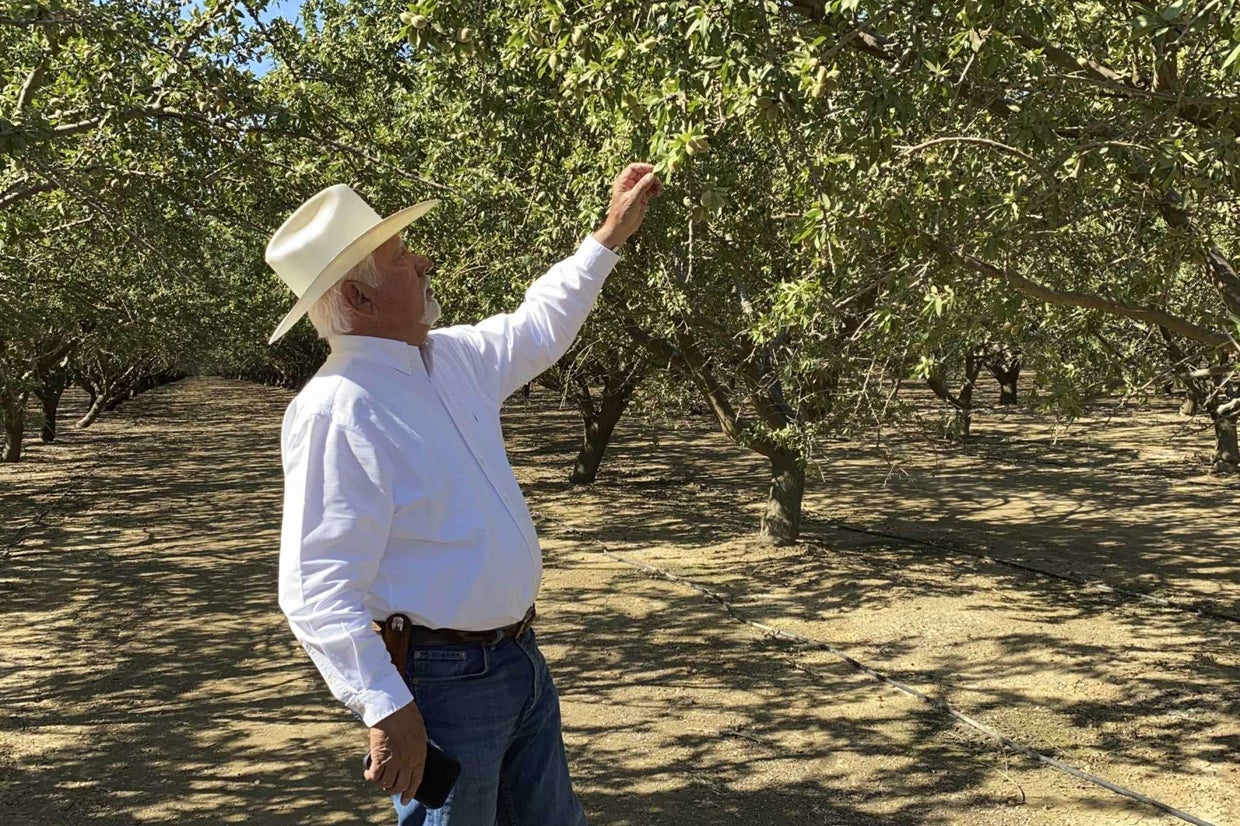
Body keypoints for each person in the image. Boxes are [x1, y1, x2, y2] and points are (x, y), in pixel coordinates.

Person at [265, 163, 661, 825]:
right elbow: (315, 584)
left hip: (517, 659)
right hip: (443, 683)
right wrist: (387, 706)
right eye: (399, 257)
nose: (422, 262)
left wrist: (607, 237)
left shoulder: (448, 358)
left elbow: (538, 324)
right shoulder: (340, 407)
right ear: (358, 299)